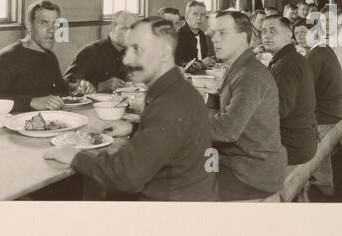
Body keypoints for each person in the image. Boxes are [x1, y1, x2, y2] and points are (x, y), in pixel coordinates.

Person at [44, 17, 217, 201]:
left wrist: (75, 156)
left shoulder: (169, 103)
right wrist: (133, 129)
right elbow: (167, 142)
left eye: (137, 50)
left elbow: (125, 176)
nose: (127, 59)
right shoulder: (176, 89)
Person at [207, 10, 287, 200]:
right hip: (246, 162)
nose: (214, 40)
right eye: (213, 33)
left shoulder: (249, 74)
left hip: (253, 172)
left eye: (223, 33)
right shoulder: (240, 67)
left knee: (178, 184)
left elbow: (228, 130)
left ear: (243, 38)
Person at [0, 0, 73, 112]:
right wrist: (32, 101)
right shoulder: (5, 58)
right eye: (44, 23)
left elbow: (60, 90)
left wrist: (76, 88)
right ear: (29, 25)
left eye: (55, 24)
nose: (51, 30)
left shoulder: (50, 57)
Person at [261, 16, 318, 167]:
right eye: (264, 31)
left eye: (273, 31)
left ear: (288, 35)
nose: (266, 35)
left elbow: (280, 110)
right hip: (300, 137)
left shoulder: (286, 64)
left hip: (293, 144)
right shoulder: (287, 58)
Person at [304, 22, 342, 196]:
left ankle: (303, 178)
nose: (299, 37)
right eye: (297, 33)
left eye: (304, 33)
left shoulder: (316, 53)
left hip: (327, 112)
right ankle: (320, 178)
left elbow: (304, 88)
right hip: (335, 107)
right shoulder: (324, 49)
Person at [63, 10, 137, 91]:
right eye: (125, 29)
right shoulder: (91, 52)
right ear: (112, 28)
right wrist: (99, 86)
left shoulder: (132, 53)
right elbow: (67, 84)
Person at [174, 0, 214, 68]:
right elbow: (180, 65)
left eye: (202, 15)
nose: (199, 18)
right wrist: (201, 64)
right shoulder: (178, 36)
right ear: (186, 17)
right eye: (195, 14)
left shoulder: (202, 35)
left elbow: (205, 58)